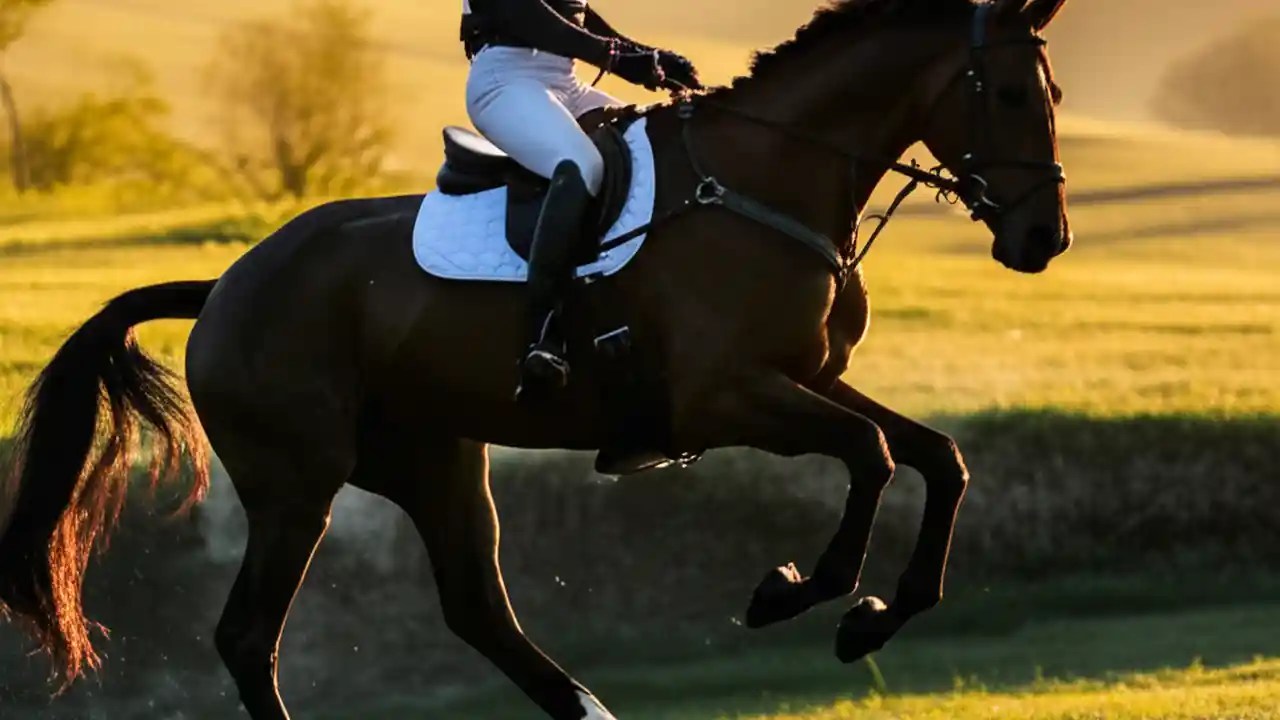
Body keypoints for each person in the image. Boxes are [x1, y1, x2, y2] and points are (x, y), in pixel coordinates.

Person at [460, 0, 703, 403]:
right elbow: (524, 14)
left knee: (656, 144)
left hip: (564, 83)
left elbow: (576, 16)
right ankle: (540, 337)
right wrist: (621, 58)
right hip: (505, 83)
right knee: (581, 165)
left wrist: (652, 59)